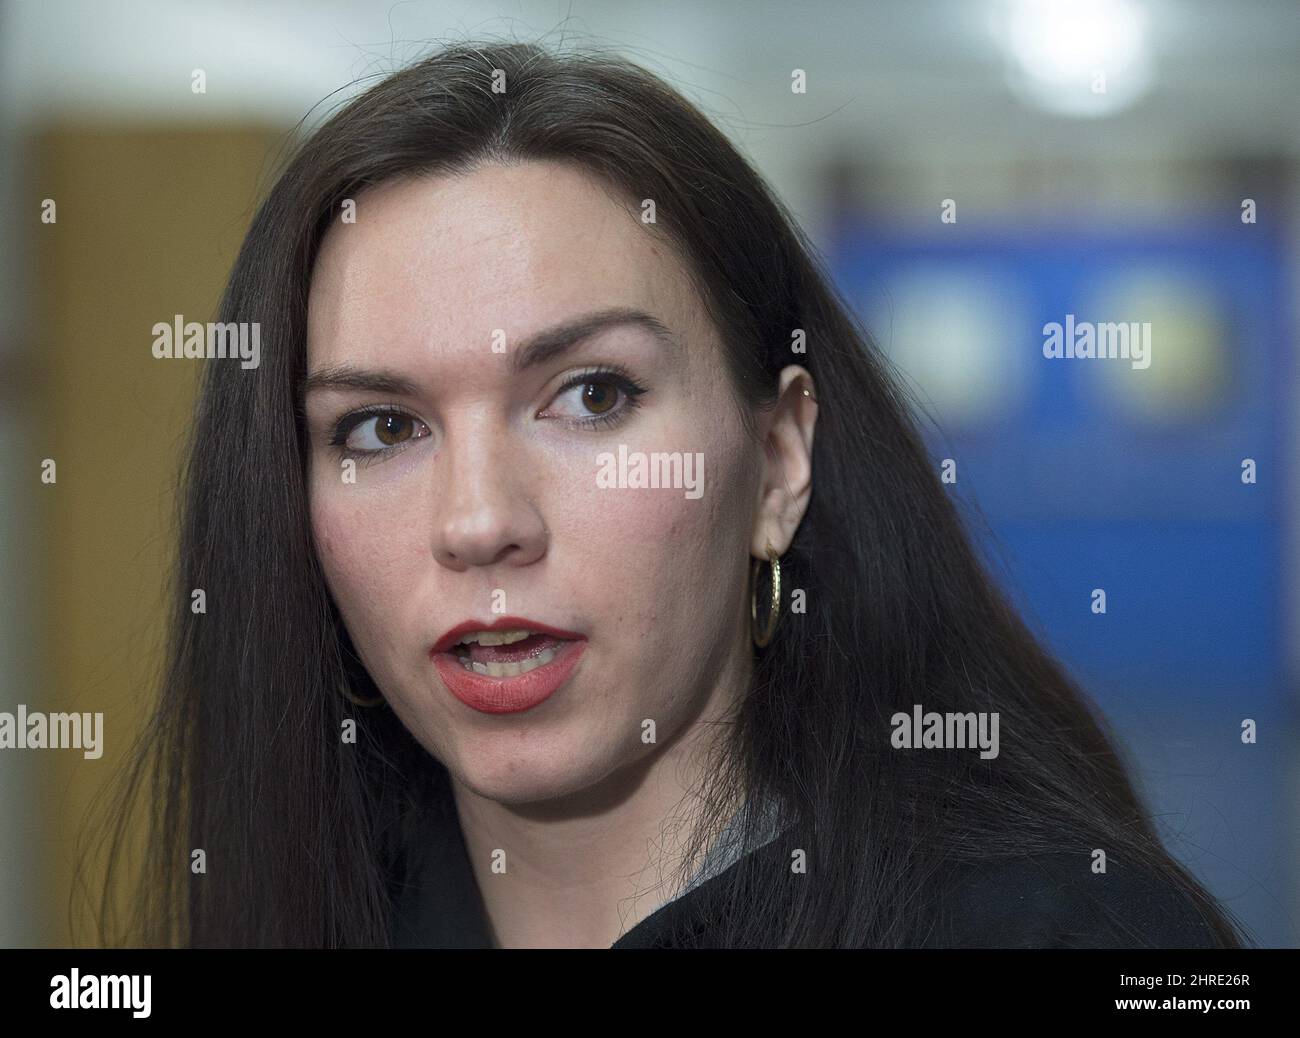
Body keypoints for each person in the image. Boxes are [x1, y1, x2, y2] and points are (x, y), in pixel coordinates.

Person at [97, 40, 1245, 948]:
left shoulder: (1063, 933)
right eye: (382, 427)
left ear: (779, 463)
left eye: (591, 397)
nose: (481, 521)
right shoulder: (301, 904)